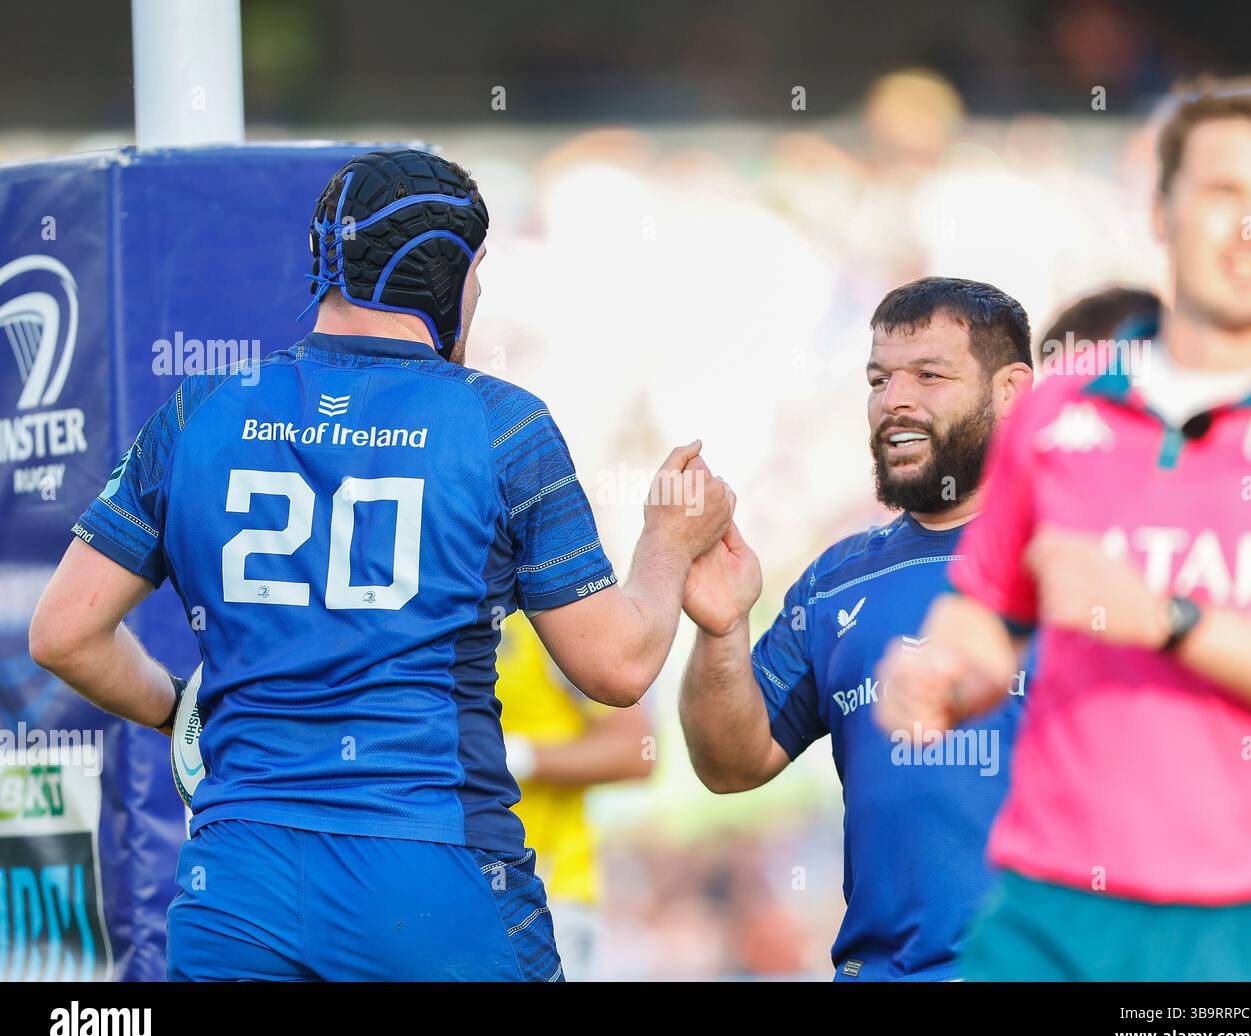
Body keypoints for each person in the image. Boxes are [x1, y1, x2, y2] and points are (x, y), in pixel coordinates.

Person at [28, 148, 732, 981]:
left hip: (236, 885)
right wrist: (666, 543)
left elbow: (64, 632)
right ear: (453, 273)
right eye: (479, 275)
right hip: (434, 881)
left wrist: (178, 710)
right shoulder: (500, 422)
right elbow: (617, 665)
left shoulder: (201, 408)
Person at [876, 78, 1251, 981]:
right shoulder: (1062, 406)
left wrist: (1172, 621)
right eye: (1225, 193)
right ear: (1162, 210)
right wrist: (947, 666)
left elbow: (1147, 614)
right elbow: (987, 606)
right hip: (1050, 908)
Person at [678, 276, 1034, 980]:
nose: (893, 400)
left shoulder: (1080, 558)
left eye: (929, 375)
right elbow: (731, 762)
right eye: (879, 378)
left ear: (1011, 392)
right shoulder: (835, 580)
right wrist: (722, 629)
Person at [496, 613, 653, 981]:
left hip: (548, 890)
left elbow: (638, 749)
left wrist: (516, 756)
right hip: (441, 883)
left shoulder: (549, 614)